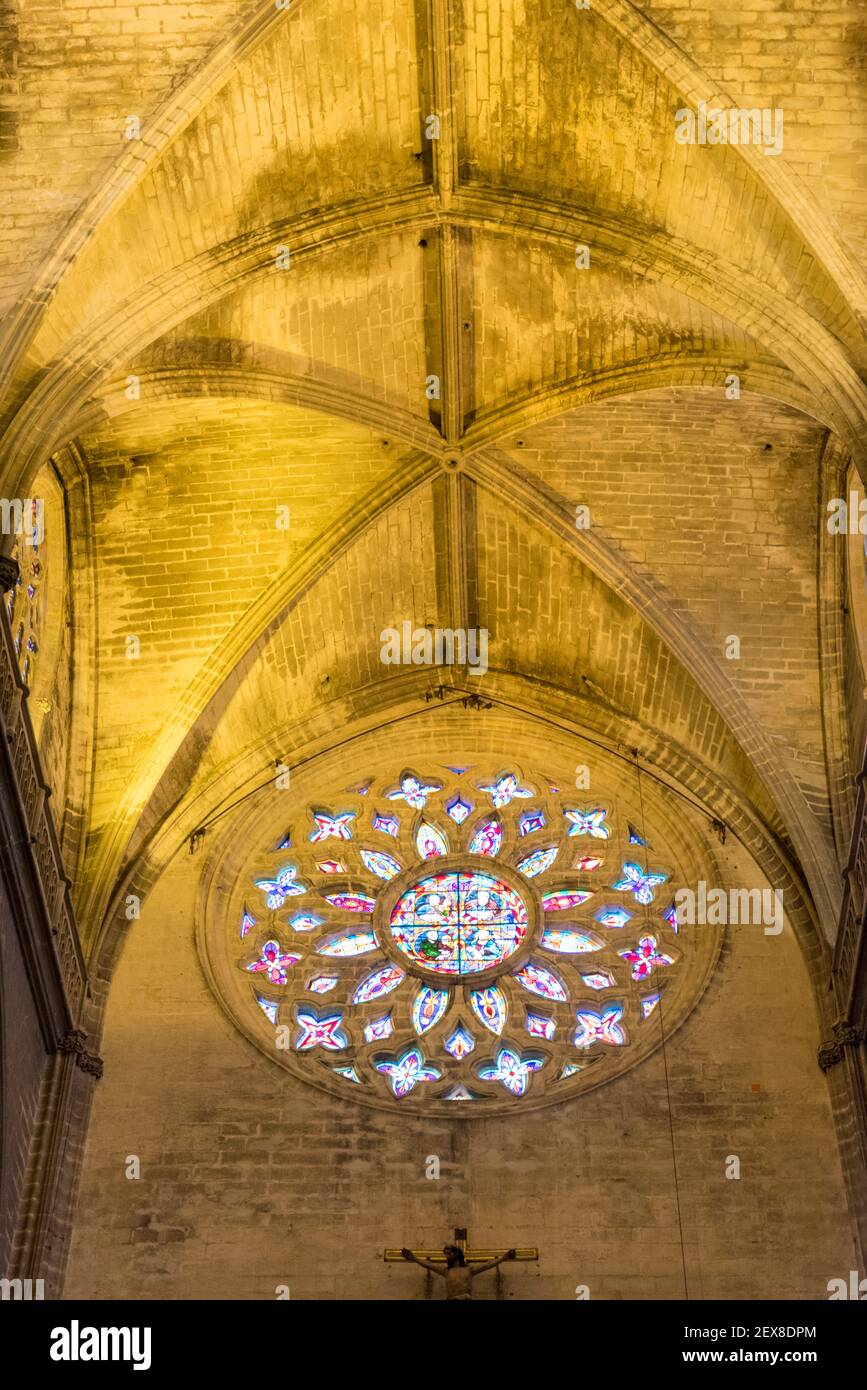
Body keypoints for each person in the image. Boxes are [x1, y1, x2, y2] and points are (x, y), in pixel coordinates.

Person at [400, 1243, 517, 1299]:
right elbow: (429, 1265)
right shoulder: (446, 1271)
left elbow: (487, 1265)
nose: (447, 1256)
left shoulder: (469, 1270)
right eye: (445, 1254)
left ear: (456, 1253)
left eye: (449, 1253)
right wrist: (413, 1257)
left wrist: (503, 1257)